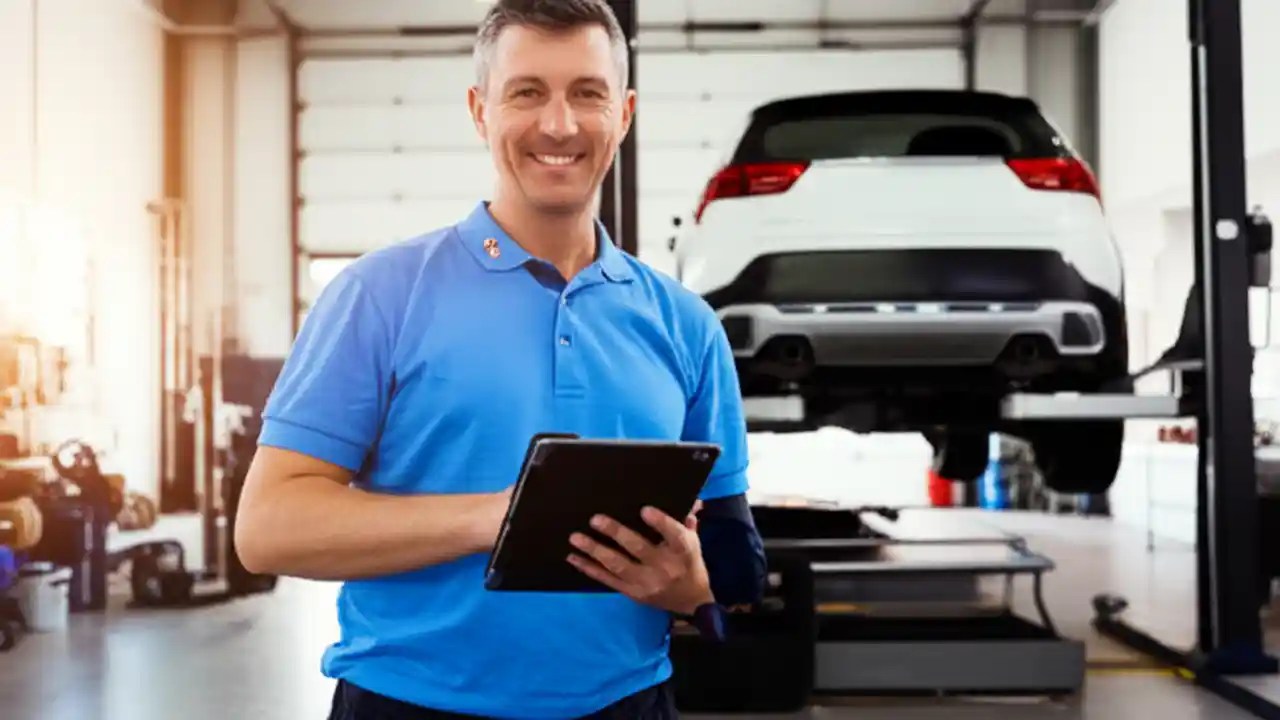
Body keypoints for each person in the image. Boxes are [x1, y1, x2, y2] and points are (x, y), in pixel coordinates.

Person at [234, 0, 767, 718]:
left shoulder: (686, 325)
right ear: (480, 110)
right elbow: (267, 529)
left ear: (625, 113)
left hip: (629, 704)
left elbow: (737, 550)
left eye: (587, 93)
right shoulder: (378, 296)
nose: (559, 124)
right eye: (527, 92)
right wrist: (503, 516)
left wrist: (694, 585)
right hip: (407, 704)